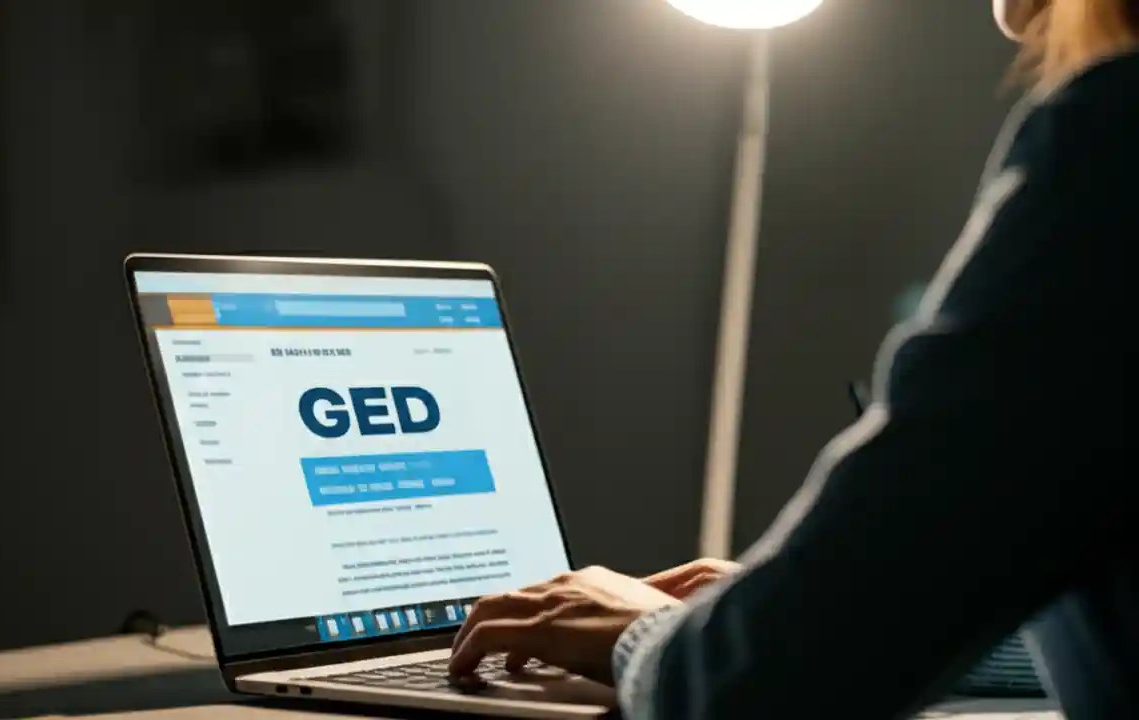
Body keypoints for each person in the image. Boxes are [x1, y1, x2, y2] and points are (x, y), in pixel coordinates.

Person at [448, 1, 1139, 717]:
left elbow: (759, 689)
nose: (1008, 14)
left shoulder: (1112, 150)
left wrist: (659, 634)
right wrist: (801, 611)